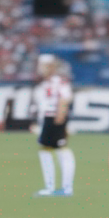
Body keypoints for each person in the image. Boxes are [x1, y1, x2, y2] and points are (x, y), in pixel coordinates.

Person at [34, 54, 75, 197]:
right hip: (49, 118)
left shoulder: (58, 81)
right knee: (53, 150)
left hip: (54, 118)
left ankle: (58, 188)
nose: (40, 69)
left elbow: (65, 98)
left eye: (43, 66)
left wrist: (60, 116)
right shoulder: (47, 82)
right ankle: (59, 187)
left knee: (55, 150)